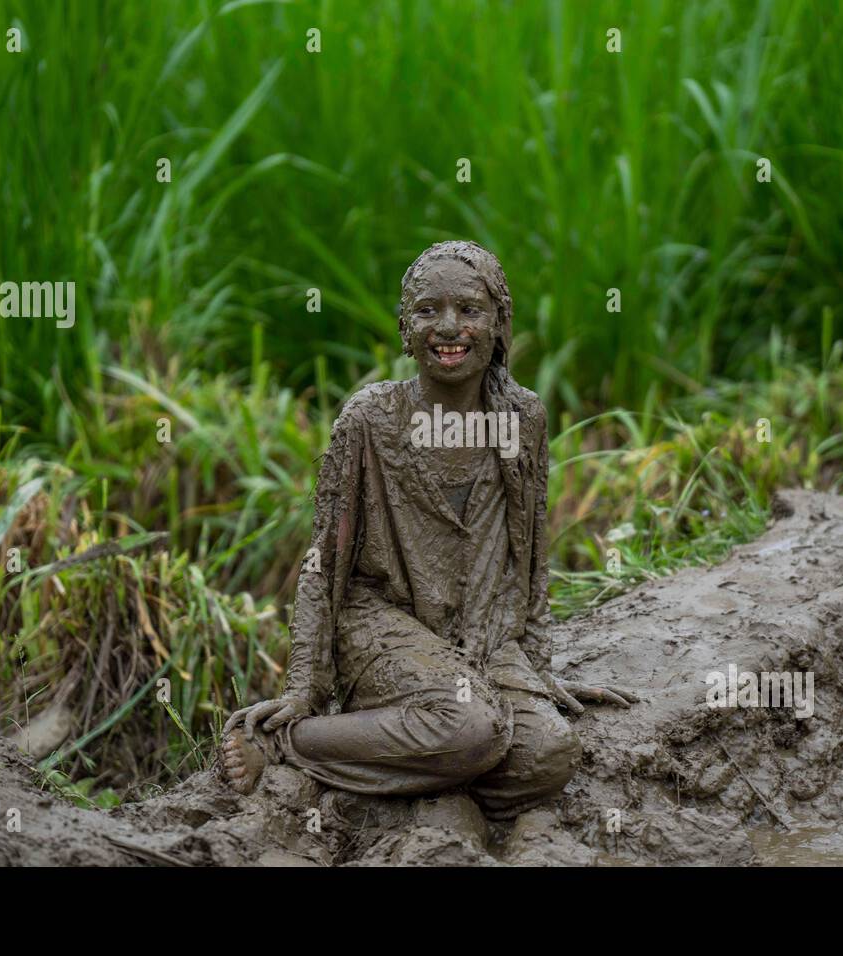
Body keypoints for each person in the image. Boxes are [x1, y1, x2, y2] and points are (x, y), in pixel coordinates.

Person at [220, 240, 634, 819]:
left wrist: (537, 668)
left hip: (485, 628)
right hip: (382, 622)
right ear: (404, 328)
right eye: (427, 311)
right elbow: (323, 563)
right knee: (470, 725)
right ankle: (286, 745)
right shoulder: (369, 419)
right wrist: (303, 690)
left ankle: (414, 781)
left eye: (469, 310)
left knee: (550, 752)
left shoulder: (523, 417)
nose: (449, 328)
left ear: (499, 324)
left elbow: (532, 555)